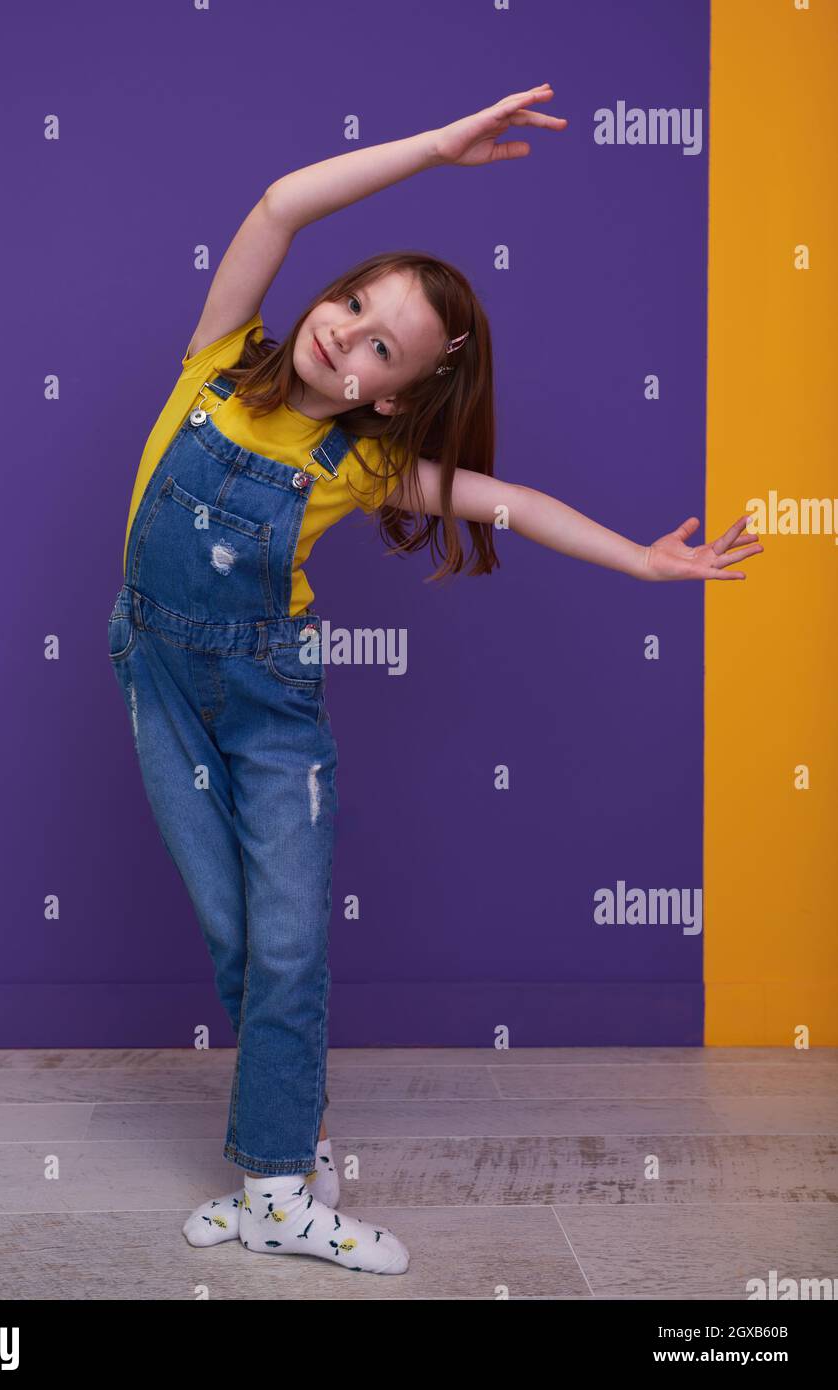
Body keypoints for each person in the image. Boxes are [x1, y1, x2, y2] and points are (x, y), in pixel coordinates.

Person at [107, 84, 764, 1277]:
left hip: (270, 711)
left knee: (292, 940)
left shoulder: (360, 467)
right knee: (240, 941)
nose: (342, 332)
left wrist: (645, 561)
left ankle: (273, 1185)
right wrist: (435, 154)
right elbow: (276, 203)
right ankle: (281, 1156)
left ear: (391, 395)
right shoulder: (216, 358)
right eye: (353, 302)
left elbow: (510, 504)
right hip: (157, 680)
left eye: (377, 346)